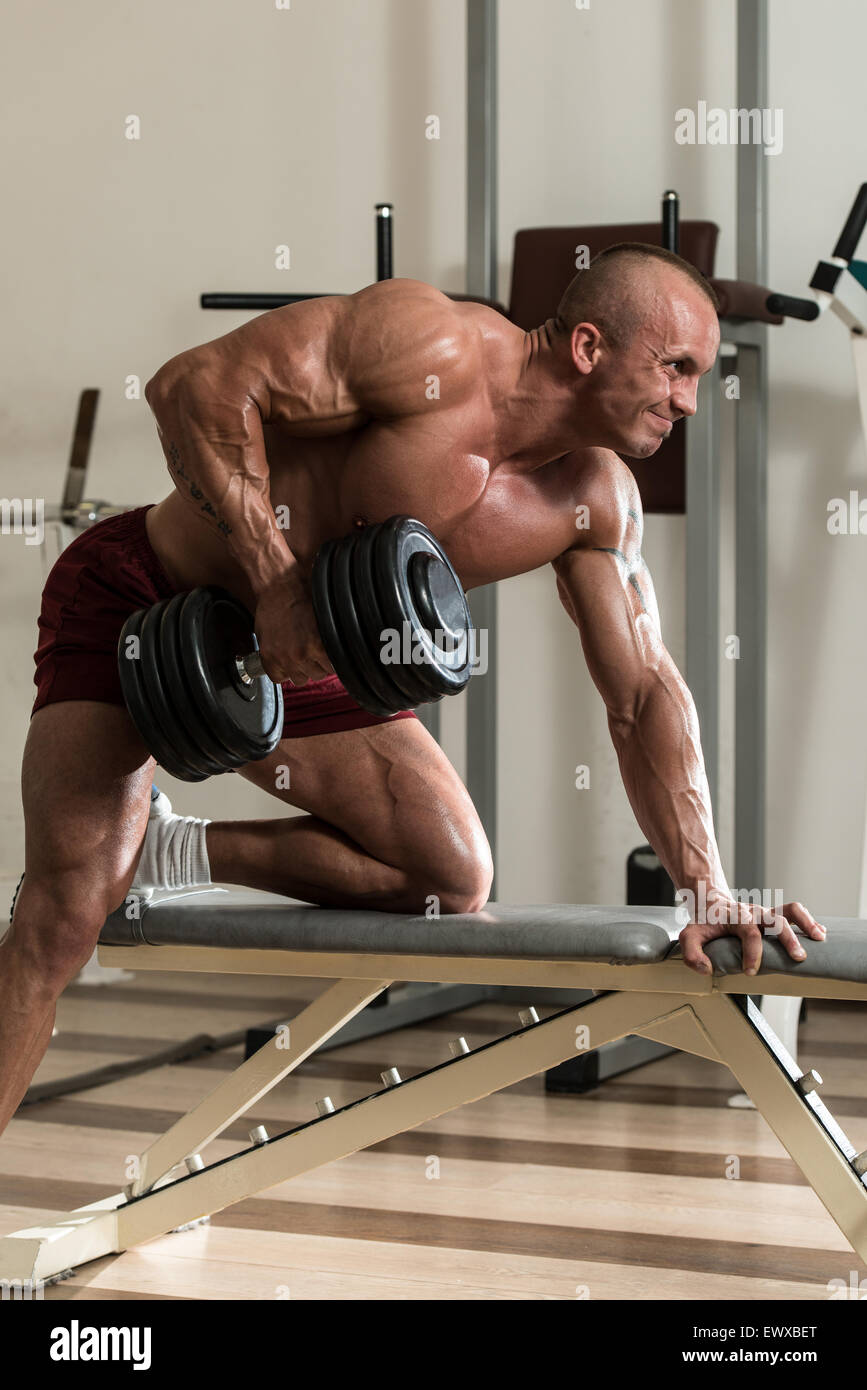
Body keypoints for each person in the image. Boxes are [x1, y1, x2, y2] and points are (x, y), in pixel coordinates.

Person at [0, 243, 824, 1137]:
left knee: (448, 873)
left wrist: (705, 887)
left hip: (299, 663)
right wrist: (275, 581)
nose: (688, 401)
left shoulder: (594, 499)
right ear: (588, 346)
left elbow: (644, 696)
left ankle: (171, 855)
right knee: (63, 914)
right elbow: (193, 387)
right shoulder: (431, 345)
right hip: (146, 594)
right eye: (676, 368)